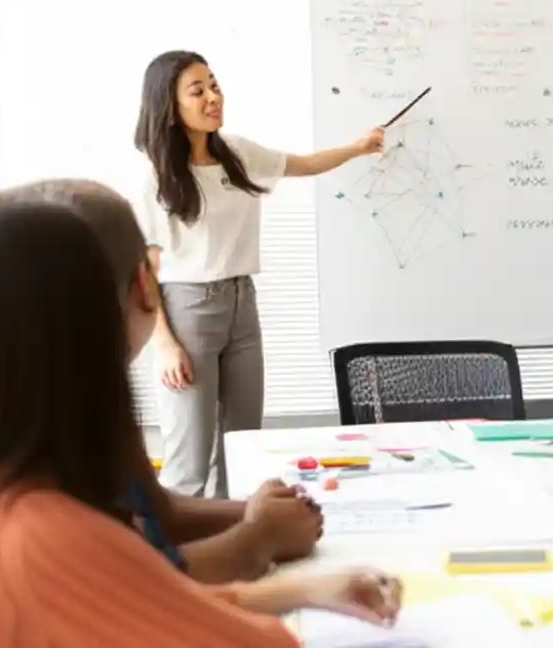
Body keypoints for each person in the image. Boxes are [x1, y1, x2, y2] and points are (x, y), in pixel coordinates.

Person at [0, 200, 402, 646]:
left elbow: (141, 594)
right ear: (145, 285)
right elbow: (174, 603)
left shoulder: (6, 497)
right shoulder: (41, 537)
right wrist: (259, 537)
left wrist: (300, 587)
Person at [0, 178, 322, 583]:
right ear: (146, 286)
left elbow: (157, 511)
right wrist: (258, 537)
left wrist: (258, 511)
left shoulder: (93, 401)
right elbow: (126, 580)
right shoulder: (42, 443)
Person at [131, 50, 386, 498]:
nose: (213, 97)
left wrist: (360, 147)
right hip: (188, 311)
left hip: (241, 305)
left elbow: (304, 164)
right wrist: (166, 346)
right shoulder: (155, 177)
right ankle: (168, 542)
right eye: (197, 91)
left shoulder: (237, 154)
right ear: (169, 106)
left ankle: (234, 535)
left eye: (214, 85)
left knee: (241, 446)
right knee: (189, 462)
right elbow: (144, 272)